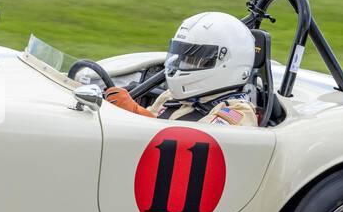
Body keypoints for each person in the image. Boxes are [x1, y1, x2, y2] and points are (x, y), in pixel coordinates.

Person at [104, 12, 259, 126]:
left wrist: (136, 112)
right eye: (182, 57)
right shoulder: (171, 97)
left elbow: (198, 142)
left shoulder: (237, 113)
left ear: (227, 63)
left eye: (193, 60)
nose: (182, 65)